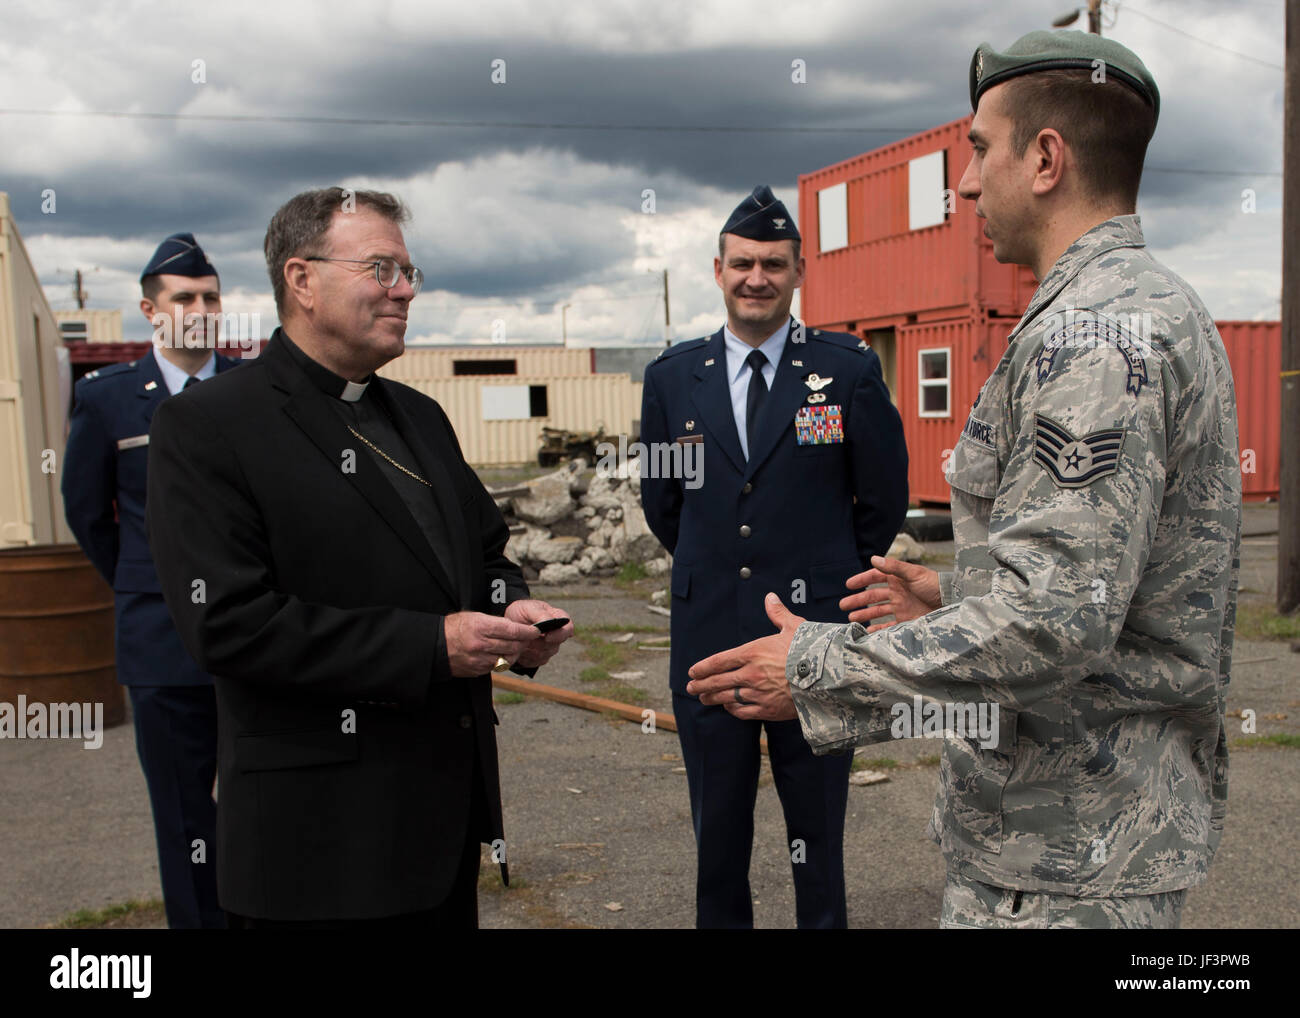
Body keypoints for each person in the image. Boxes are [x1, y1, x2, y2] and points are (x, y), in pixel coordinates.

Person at [687, 31, 1242, 930]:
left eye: (981, 148)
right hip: (1079, 841)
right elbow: (1104, 580)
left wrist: (820, 668)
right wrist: (952, 593)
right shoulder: (1140, 306)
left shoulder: (1094, 338)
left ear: (1048, 158)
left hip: (1064, 856)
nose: (969, 182)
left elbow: (1056, 622)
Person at [145, 187, 573, 928]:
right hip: (315, 851)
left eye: (409, 272)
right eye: (380, 268)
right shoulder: (208, 425)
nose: (403, 290)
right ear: (301, 279)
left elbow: (482, 557)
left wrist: (512, 610)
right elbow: (229, 624)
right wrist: (431, 645)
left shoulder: (421, 416)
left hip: (439, 838)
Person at [640, 185, 908, 928]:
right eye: (743, 263)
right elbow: (662, 503)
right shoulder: (671, 378)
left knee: (816, 831)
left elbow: (882, 498)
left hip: (814, 634)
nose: (757, 277)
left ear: (798, 274)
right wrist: (716, 564)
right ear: (718, 270)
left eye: (774, 265)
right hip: (710, 634)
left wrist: (832, 582)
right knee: (716, 831)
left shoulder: (845, 369)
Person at [62, 233, 240, 929]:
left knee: (268, 796)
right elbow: (87, 514)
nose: (200, 308)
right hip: (159, 643)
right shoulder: (107, 400)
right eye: (184, 297)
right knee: (182, 807)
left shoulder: (251, 391)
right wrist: (144, 584)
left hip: (257, 631)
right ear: (150, 309)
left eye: (211, 296)